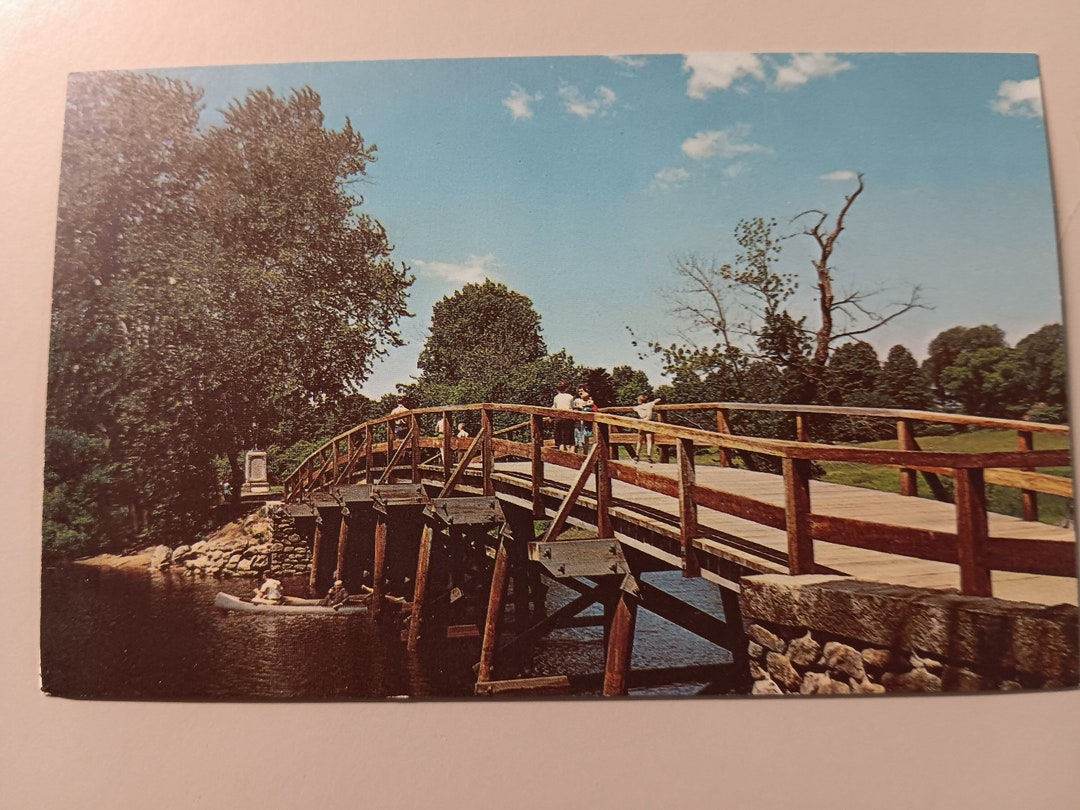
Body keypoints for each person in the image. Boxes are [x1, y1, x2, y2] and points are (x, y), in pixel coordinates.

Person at [632, 394, 663, 463]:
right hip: (648, 423)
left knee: (639, 441)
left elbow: (633, 408)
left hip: (641, 423)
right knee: (649, 441)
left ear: (639, 401)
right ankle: (649, 456)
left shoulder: (637, 407)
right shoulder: (650, 405)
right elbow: (658, 399)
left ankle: (637, 455)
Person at [552, 381, 575, 452]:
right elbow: (572, 407)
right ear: (567, 388)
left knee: (560, 439)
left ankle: (561, 453)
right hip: (568, 418)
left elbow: (554, 407)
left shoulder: (556, 397)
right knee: (570, 437)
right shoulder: (570, 397)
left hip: (558, 418)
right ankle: (571, 454)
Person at [573, 386, 594, 453]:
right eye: (579, 391)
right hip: (578, 422)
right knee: (576, 440)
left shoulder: (589, 400)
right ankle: (575, 456)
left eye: (582, 391)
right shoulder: (576, 400)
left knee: (585, 440)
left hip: (586, 424)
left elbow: (591, 406)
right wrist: (578, 406)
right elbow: (573, 408)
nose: (580, 392)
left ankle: (585, 454)